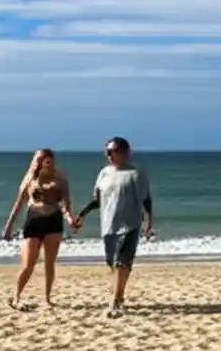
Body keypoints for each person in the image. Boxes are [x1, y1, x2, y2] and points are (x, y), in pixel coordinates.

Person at [75, 136, 154, 318]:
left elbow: (146, 199)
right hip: (108, 225)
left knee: (122, 263)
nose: (108, 155)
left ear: (125, 153)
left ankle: (116, 300)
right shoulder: (104, 173)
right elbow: (98, 200)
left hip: (130, 224)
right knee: (112, 264)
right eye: (107, 152)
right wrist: (82, 214)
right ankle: (120, 294)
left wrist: (149, 221)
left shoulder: (136, 174)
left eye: (113, 151)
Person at [1, 148, 78, 310]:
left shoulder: (60, 179)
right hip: (33, 221)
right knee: (28, 263)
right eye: (41, 159)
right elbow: (19, 204)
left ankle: (48, 298)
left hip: (53, 221)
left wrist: (70, 218)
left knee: (49, 263)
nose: (45, 162)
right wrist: (9, 226)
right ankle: (16, 296)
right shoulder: (30, 179)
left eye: (49, 159)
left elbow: (66, 204)